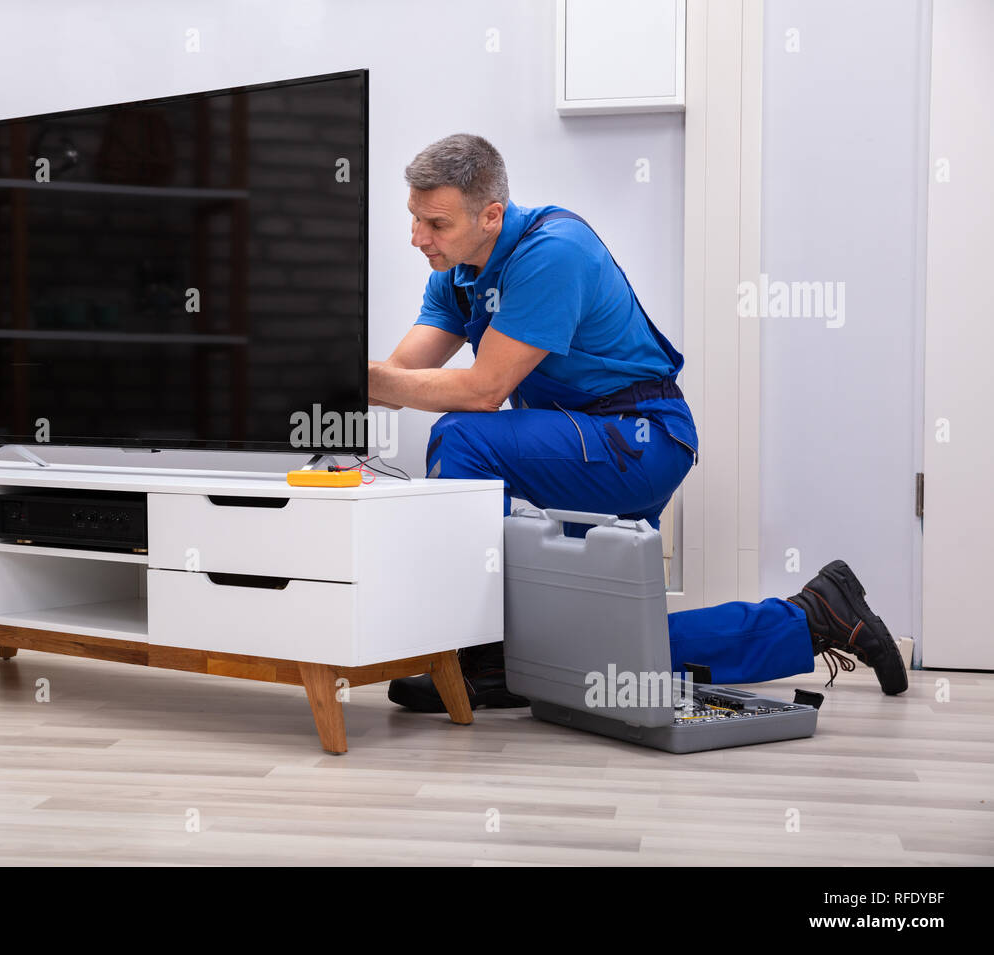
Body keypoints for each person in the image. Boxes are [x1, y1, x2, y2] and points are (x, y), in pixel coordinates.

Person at [367, 134, 908, 711]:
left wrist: (361, 378)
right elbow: (397, 380)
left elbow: (482, 392)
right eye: (415, 218)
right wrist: (324, 373)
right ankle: (814, 617)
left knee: (461, 435)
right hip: (581, 443)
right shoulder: (457, 274)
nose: (418, 237)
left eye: (437, 224)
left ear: (491, 216)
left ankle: (486, 656)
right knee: (591, 650)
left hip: (637, 438)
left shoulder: (552, 252)